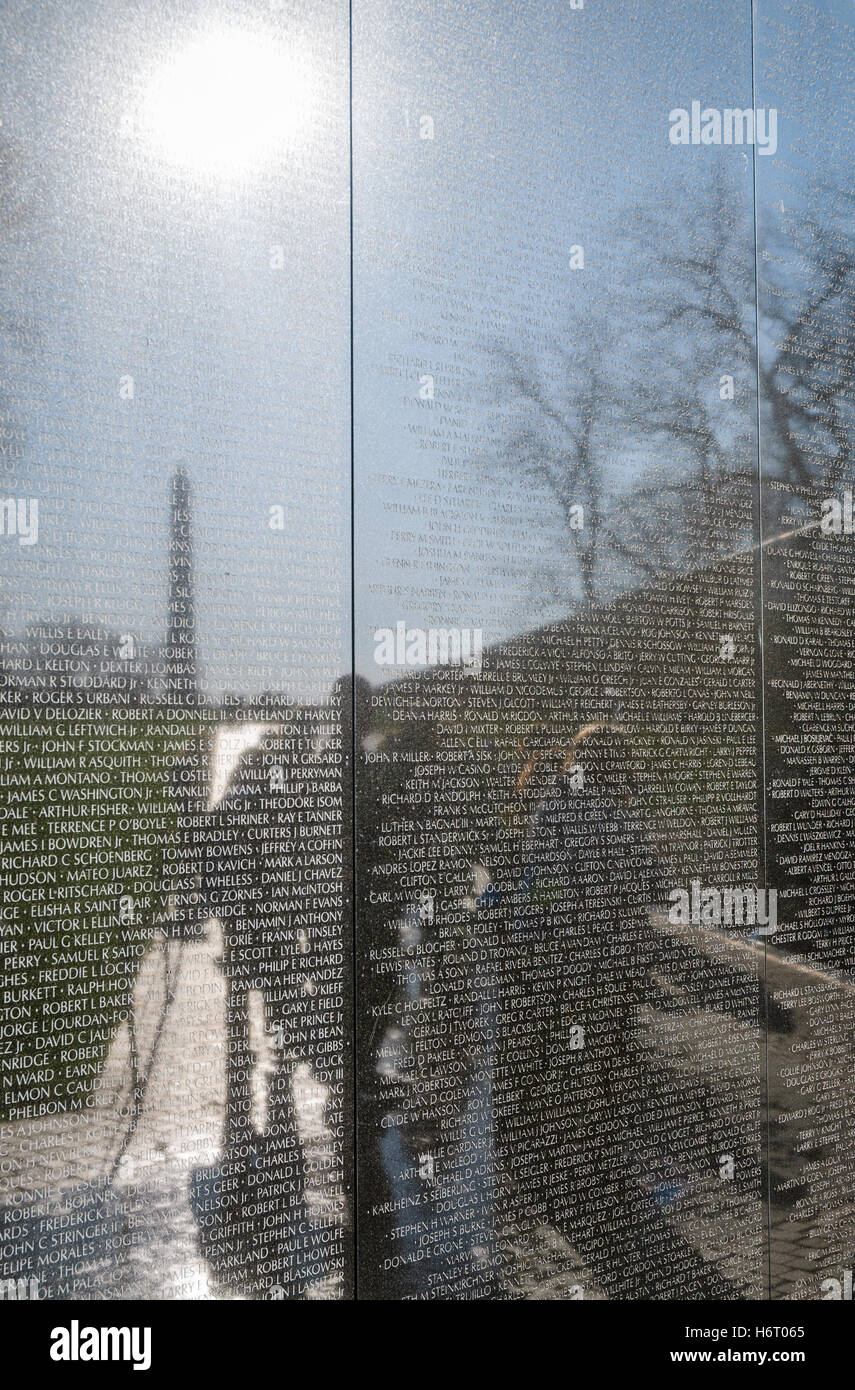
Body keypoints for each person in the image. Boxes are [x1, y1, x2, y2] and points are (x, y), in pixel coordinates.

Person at [506, 722, 739, 1299]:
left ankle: (574, 1162)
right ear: (619, 765)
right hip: (608, 966)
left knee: (569, 1060)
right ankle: (601, 1159)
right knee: (605, 1056)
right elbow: (651, 886)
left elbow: (537, 880)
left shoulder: (557, 806)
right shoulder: (620, 818)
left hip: (557, 964)